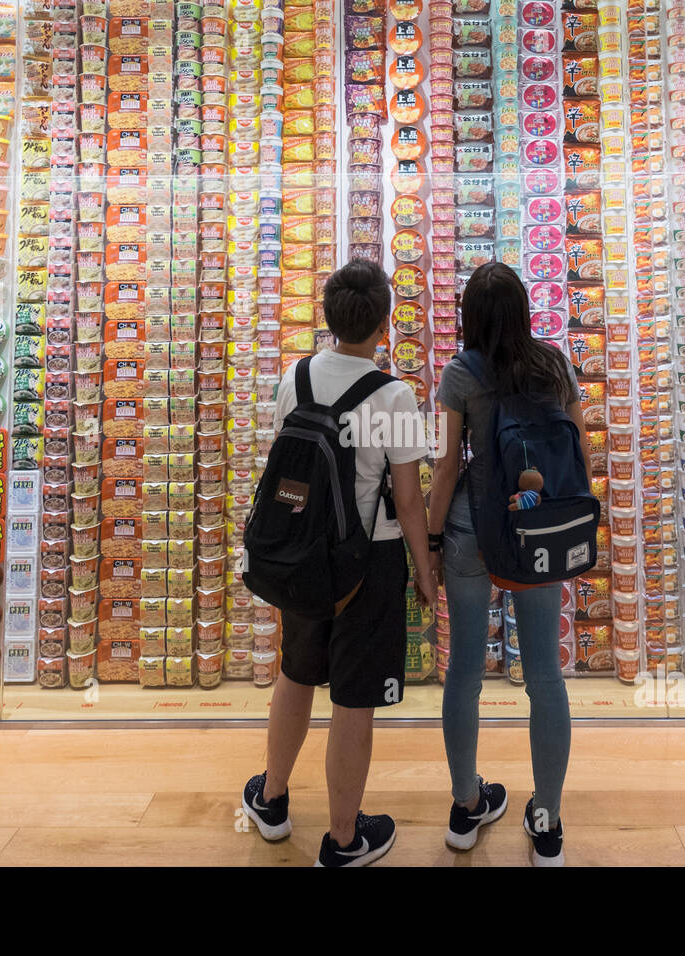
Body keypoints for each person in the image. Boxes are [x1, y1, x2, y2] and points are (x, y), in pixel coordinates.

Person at [241, 259, 435, 867]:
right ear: (384, 325)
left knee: (295, 672)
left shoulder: (293, 379)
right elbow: (407, 502)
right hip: (369, 564)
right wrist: (427, 575)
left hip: (302, 557)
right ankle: (346, 838)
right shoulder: (394, 395)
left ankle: (271, 799)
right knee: (354, 697)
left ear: (328, 318)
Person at [426, 262, 592, 867]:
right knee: (544, 675)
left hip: (474, 526)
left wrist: (432, 542)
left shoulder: (460, 372)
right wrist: (569, 518)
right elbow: (579, 446)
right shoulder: (552, 363)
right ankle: (546, 823)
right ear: (524, 311)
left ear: (469, 316)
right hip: (539, 527)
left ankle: (466, 807)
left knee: (465, 670)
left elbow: (446, 467)